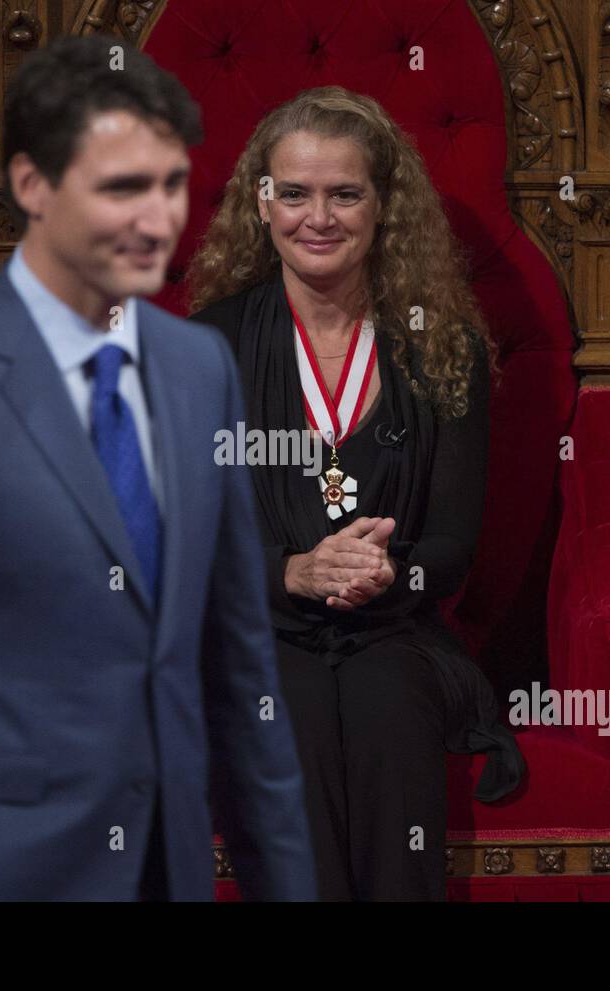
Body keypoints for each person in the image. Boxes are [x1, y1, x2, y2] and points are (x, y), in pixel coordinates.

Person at [0, 35, 315, 902]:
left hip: (168, 871)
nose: (157, 220)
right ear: (32, 186)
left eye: (170, 184)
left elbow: (240, 677)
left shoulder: (200, 371)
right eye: (121, 187)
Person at [188, 86, 526, 901]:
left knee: (386, 710)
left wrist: (387, 571)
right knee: (285, 715)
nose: (320, 217)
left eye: (345, 194)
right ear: (261, 206)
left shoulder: (442, 348)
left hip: (394, 628)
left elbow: (451, 546)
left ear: (384, 206)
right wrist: (294, 574)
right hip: (259, 629)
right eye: (294, 194)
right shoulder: (209, 346)